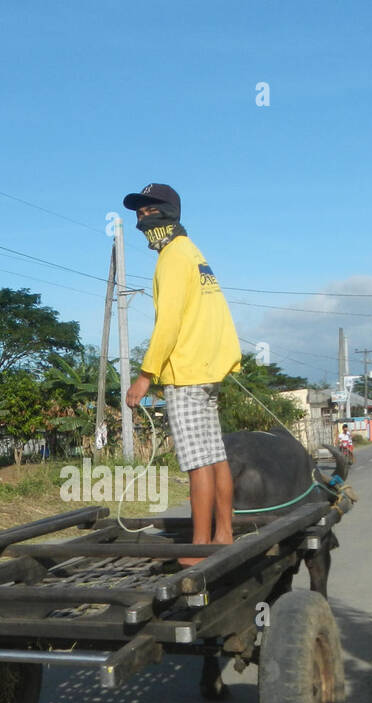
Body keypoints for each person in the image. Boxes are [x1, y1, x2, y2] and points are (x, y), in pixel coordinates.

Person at [122, 183, 241, 565]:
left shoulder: (173, 257)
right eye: (138, 212)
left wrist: (145, 375)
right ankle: (223, 534)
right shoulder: (194, 253)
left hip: (186, 372)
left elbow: (168, 323)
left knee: (196, 461)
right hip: (208, 369)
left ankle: (201, 544)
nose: (142, 218)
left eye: (148, 210)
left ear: (167, 212)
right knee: (215, 455)